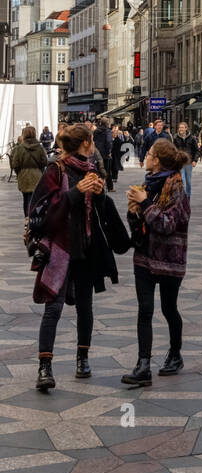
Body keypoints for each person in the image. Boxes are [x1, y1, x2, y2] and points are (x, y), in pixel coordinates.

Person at [31, 122, 131, 392]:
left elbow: (97, 211)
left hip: (86, 248)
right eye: (92, 141)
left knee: (85, 307)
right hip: (60, 249)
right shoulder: (55, 169)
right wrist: (76, 192)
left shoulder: (93, 169)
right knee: (53, 308)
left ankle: (82, 358)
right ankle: (45, 367)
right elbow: (40, 211)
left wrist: (98, 195)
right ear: (86, 143)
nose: (95, 145)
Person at [122, 138, 190, 386]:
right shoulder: (146, 185)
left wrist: (145, 203)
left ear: (157, 160)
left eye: (149, 153)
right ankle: (143, 365)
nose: (146, 156)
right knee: (145, 310)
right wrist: (133, 212)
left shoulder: (176, 188)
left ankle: (175, 354)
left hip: (170, 259)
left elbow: (167, 224)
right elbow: (140, 228)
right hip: (144, 257)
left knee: (169, 308)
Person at [12, 124, 48, 219]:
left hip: (24, 175)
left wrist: (19, 173)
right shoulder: (39, 147)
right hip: (37, 175)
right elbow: (44, 162)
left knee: (26, 199)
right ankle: (35, 219)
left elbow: (15, 164)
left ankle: (27, 220)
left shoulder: (19, 148)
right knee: (36, 199)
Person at [174, 122, 199, 200]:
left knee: (188, 181)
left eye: (182, 127)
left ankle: (187, 196)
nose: (180, 129)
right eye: (179, 127)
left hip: (189, 163)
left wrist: (195, 160)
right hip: (180, 162)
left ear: (186, 128)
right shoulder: (176, 138)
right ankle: (182, 197)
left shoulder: (192, 138)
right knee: (182, 180)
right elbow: (173, 150)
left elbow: (197, 150)